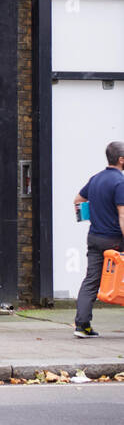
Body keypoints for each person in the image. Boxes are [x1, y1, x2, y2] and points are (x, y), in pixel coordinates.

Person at [72, 140, 124, 338]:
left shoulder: (96, 178)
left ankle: (82, 326)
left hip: (94, 237)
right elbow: (122, 215)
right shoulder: (119, 182)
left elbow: (78, 200)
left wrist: (95, 215)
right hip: (115, 240)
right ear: (120, 159)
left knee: (91, 280)